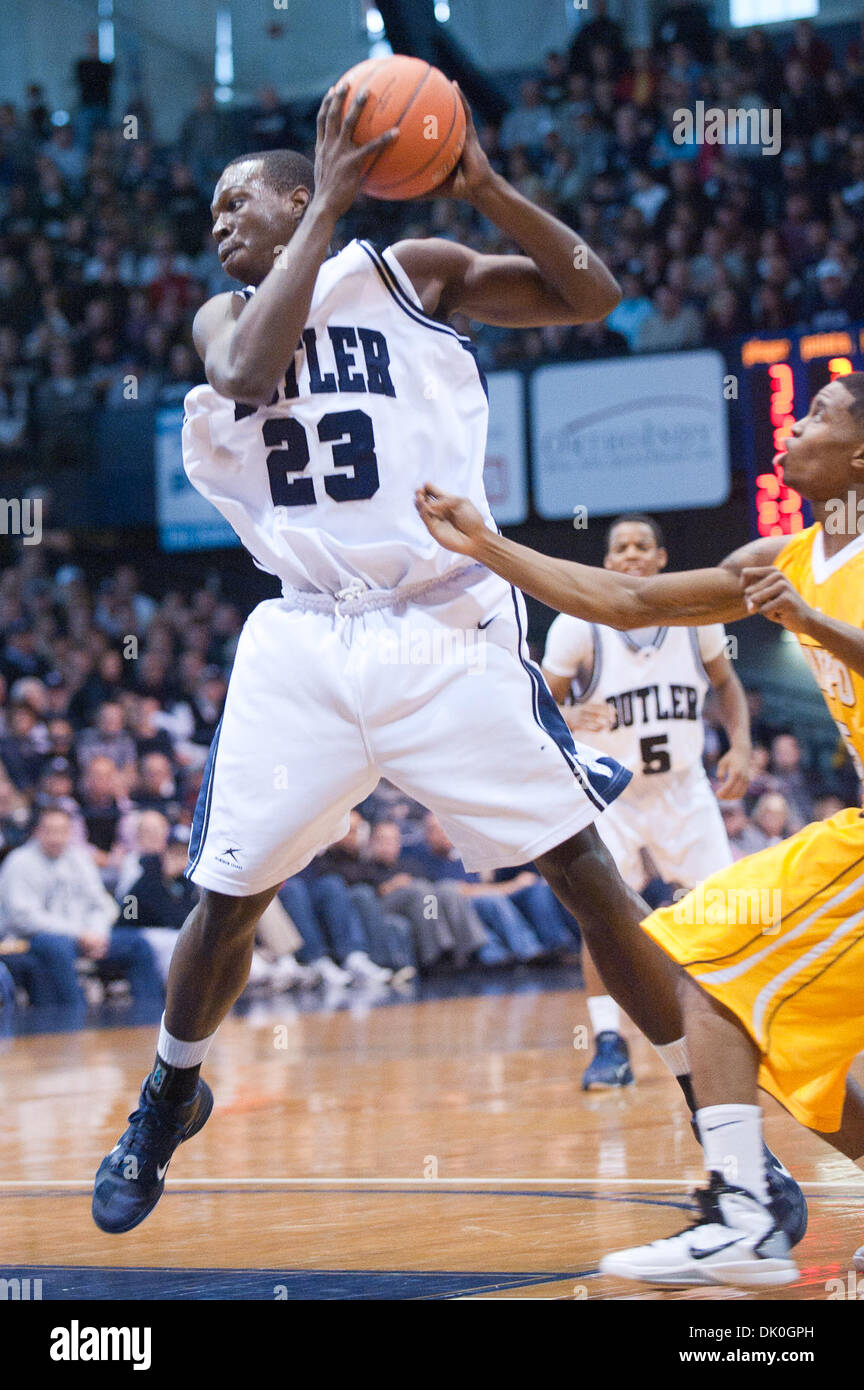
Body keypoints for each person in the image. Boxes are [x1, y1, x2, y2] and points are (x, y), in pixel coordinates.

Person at [90, 79, 800, 1247]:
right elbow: (249, 377)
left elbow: (592, 293)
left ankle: (726, 1140)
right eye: (213, 213)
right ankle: (173, 1088)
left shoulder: (412, 270)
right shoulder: (225, 318)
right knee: (229, 895)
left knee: (587, 874)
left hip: (444, 623)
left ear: (294, 190)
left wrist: (482, 187)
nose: (217, 226)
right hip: (308, 633)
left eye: (236, 203)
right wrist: (322, 212)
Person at [415, 372, 864, 1285]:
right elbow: (626, 604)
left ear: (859, 456)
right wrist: (488, 543)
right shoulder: (784, 555)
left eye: (819, 414)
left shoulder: (812, 584)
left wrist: (812, 621)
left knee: (709, 965)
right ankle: (744, 1207)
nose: (794, 421)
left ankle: (742, 1217)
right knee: (755, 1020)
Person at [542, 513, 750, 1088]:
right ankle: (609, 1043)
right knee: (605, 916)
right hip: (612, 793)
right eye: (620, 548)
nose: (631, 555)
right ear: (608, 564)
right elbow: (535, 708)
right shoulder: (577, 626)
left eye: (642, 547)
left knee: (723, 912)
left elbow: (727, 684)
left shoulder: (694, 620)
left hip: (684, 788)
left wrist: (741, 744)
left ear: (661, 559)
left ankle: (735, 1028)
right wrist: (569, 716)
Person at [0, 807, 162, 1007]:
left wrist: (98, 934)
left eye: (62, 831)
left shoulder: (79, 859)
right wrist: (79, 934)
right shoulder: (19, 862)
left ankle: (149, 1018)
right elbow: (23, 918)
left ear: (70, 832)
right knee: (56, 946)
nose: (56, 837)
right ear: (37, 831)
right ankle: (76, 1019)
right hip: (31, 940)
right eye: (49, 830)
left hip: (87, 937)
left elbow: (101, 904)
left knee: (138, 943)